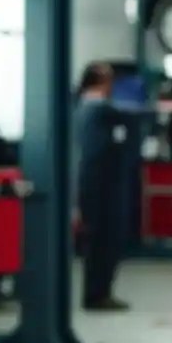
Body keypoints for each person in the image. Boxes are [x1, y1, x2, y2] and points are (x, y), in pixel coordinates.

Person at [75, 62, 131, 312]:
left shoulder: (81, 110)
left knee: (96, 241)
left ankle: (97, 293)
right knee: (104, 241)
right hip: (101, 187)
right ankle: (98, 294)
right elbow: (98, 153)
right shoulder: (100, 112)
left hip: (90, 185)